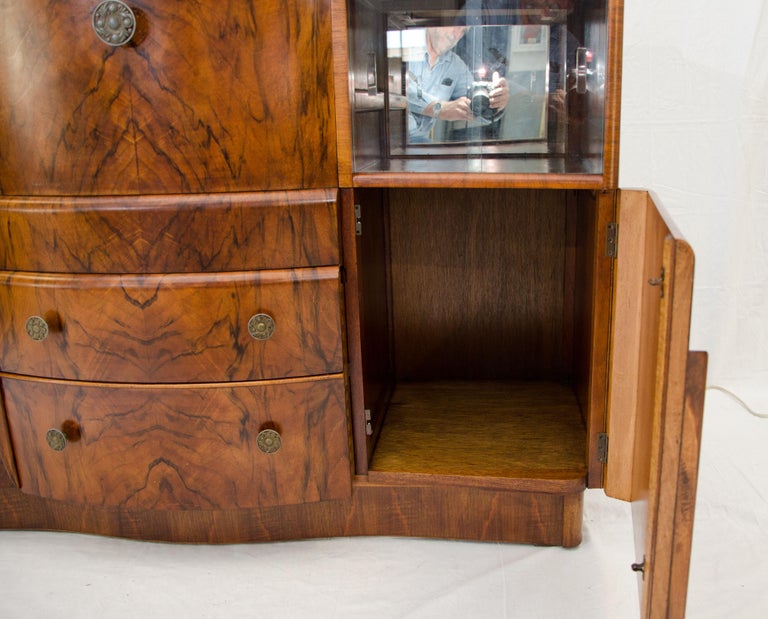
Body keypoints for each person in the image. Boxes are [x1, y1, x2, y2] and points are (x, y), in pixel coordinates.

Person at [406, 26, 510, 143]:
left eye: (463, 31)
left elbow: (474, 103)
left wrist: (494, 103)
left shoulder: (456, 66)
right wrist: (440, 109)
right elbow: (395, 90)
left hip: (419, 146)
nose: (457, 34)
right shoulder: (404, 43)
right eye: (456, 26)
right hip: (387, 140)